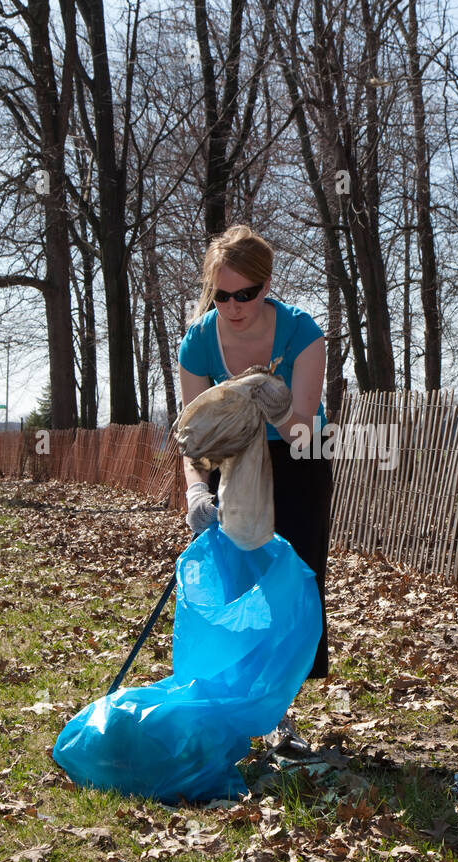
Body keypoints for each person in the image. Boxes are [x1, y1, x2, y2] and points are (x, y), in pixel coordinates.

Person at [177, 225, 332, 753]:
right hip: (231, 463)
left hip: (296, 461)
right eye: (222, 295)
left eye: (246, 294)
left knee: (288, 585)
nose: (234, 306)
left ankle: (281, 712)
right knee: (237, 585)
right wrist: (198, 491)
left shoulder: (301, 333)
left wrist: (280, 407)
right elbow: (195, 438)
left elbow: (305, 430)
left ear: (267, 286)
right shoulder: (200, 341)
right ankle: (239, 709)